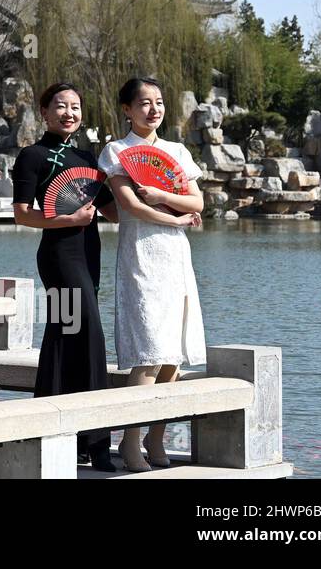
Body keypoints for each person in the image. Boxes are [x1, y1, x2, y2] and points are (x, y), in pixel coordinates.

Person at [99, 76, 205, 472]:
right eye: (144, 103)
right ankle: (128, 443)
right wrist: (174, 219)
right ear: (127, 109)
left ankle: (156, 442)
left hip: (176, 257)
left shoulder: (176, 150)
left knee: (172, 359)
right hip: (142, 252)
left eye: (159, 101)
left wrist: (162, 195)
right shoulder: (117, 150)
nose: (154, 109)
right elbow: (129, 206)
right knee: (148, 353)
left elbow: (197, 201)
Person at [12, 82, 119, 472]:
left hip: (89, 254)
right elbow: (22, 214)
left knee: (63, 334)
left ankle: (56, 430)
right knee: (89, 331)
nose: (68, 113)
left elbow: (114, 212)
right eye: (60, 106)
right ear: (44, 111)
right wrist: (68, 219)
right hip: (58, 257)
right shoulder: (32, 156)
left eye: (75, 107)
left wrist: (149, 193)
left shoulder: (88, 158)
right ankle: (97, 440)